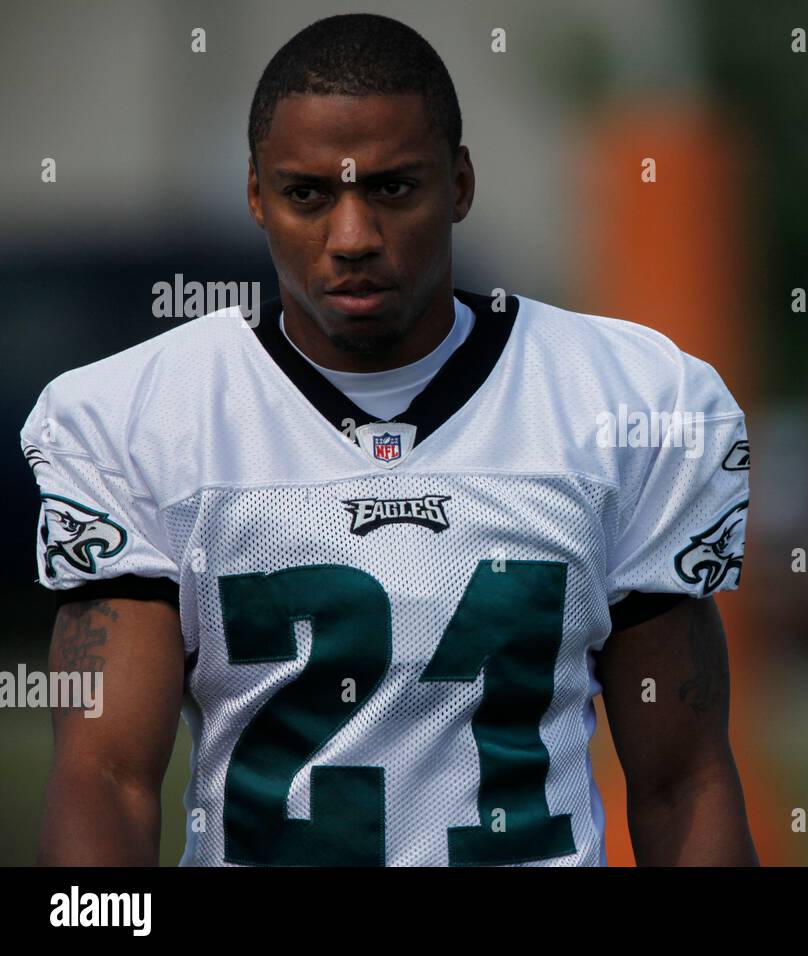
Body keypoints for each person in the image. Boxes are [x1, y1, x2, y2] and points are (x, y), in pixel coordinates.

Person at [24, 13, 756, 867]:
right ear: (256, 194)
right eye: (309, 195)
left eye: (393, 189)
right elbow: (105, 778)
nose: (353, 238)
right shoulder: (144, 416)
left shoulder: (624, 403)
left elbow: (683, 781)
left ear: (460, 184)